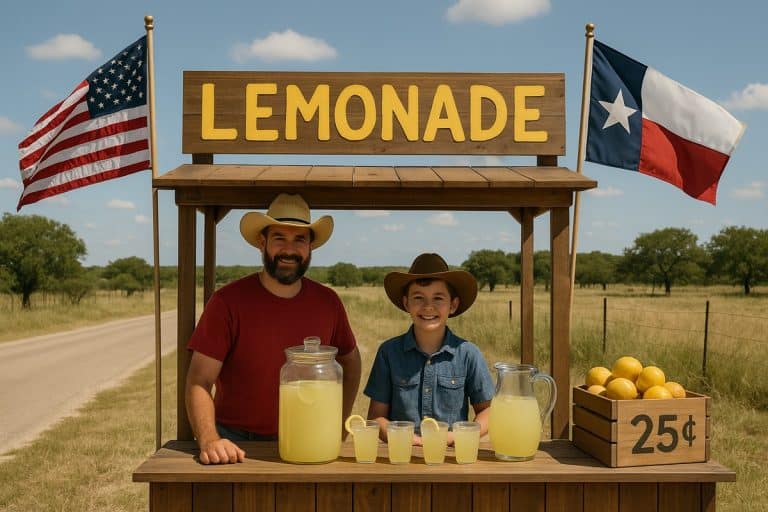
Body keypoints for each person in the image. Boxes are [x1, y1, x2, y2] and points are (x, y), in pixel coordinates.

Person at [185, 193, 362, 465]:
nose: (289, 250)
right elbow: (199, 381)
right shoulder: (227, 301)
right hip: (237, 444)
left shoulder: (328, 302)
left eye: (300, 239)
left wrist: (338, 427)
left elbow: (350, 363)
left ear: (310, 246)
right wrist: (210, 440)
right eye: (279, 238)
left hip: (310, 438)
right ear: (261, 242)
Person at [363, 253, 494, 446]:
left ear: (453, 305)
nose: (428, 307)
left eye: (438, 298)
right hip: (403, 457)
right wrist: (403, 438)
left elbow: (488, 411)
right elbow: (376, 417)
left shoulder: (468, 354)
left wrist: (458, 437)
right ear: (406, 303)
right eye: (418, 298)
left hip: (451, 458)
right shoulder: (388, 353)